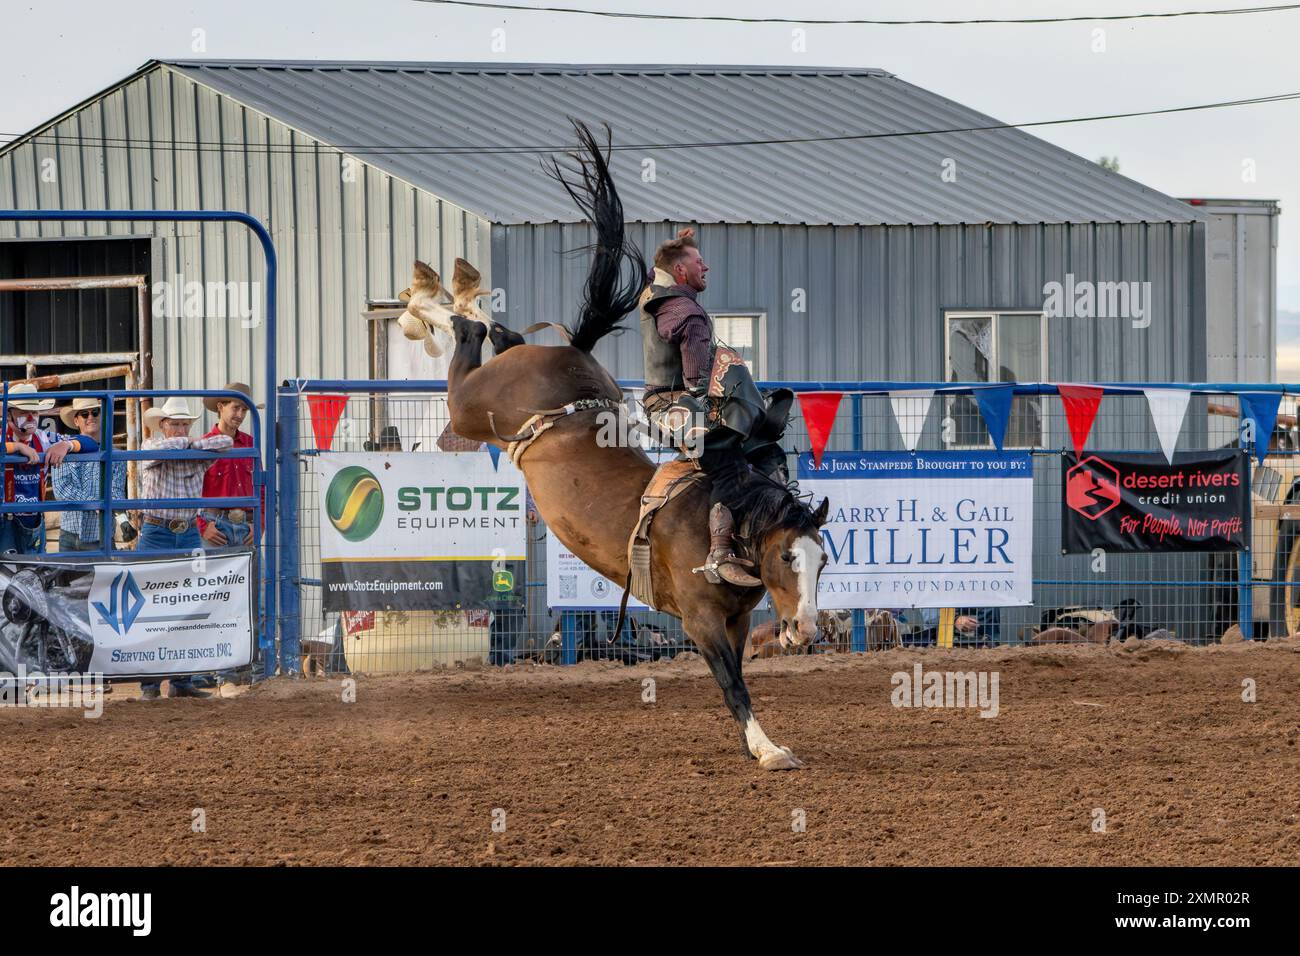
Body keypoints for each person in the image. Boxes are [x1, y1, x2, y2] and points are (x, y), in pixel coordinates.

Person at [639, 228, 793, 586]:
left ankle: (775, 522)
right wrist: (710, 407)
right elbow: (696, 377)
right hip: (674, 405)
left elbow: (655, 271)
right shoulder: (686, 313)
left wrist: (671, 247)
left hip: (669, 402)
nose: (705, 267)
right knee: (727, 460)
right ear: (680, 272)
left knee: (762, 447)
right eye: (698, 262)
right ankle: (720, 554)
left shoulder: (655, 293)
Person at [136, 396, 233, 700]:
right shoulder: (153, 446)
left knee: (188, 605)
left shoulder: (192, 448)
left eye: (184, 424)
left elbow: (225, 441)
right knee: (148, 607)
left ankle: (182, 680)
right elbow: (154, 450)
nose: (179, 429)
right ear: (162, 425)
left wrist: (191, 445)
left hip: (187, 531)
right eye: (174, 423)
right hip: (157, 530)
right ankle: (150, 685)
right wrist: (190, 445)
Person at [3, 384, 99, 555]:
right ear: (9, 416)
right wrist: (16, 447)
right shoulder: (3, 436)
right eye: (24, 412)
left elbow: (90, 444)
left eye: (35, 412)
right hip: (4, 522)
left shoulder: (44, 437)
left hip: (34, 521)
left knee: (34, 574)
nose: (31, 417)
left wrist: (67, 445)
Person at [52, 397, 127, 553]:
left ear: (102, 416)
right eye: (84, 414)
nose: (91, 417)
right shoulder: (63, 449)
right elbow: (61, 490)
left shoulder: (116, 455)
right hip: (70, 533)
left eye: (95, 412)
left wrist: (122, 518)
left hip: (101, 534)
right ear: (77, 420)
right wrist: (96, 503)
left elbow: (116, 491)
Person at [196, 382, 262, 551]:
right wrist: (202, 526)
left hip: (247, 528)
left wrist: (260, 524)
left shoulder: (250, 443)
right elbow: (189, 491)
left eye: (245, 410)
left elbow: (261, 487)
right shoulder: (204, 445)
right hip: (215, 527)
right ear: (220, 407)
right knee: (212, 577)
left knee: (255, 577)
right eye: (236, 408)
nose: (240, 415)